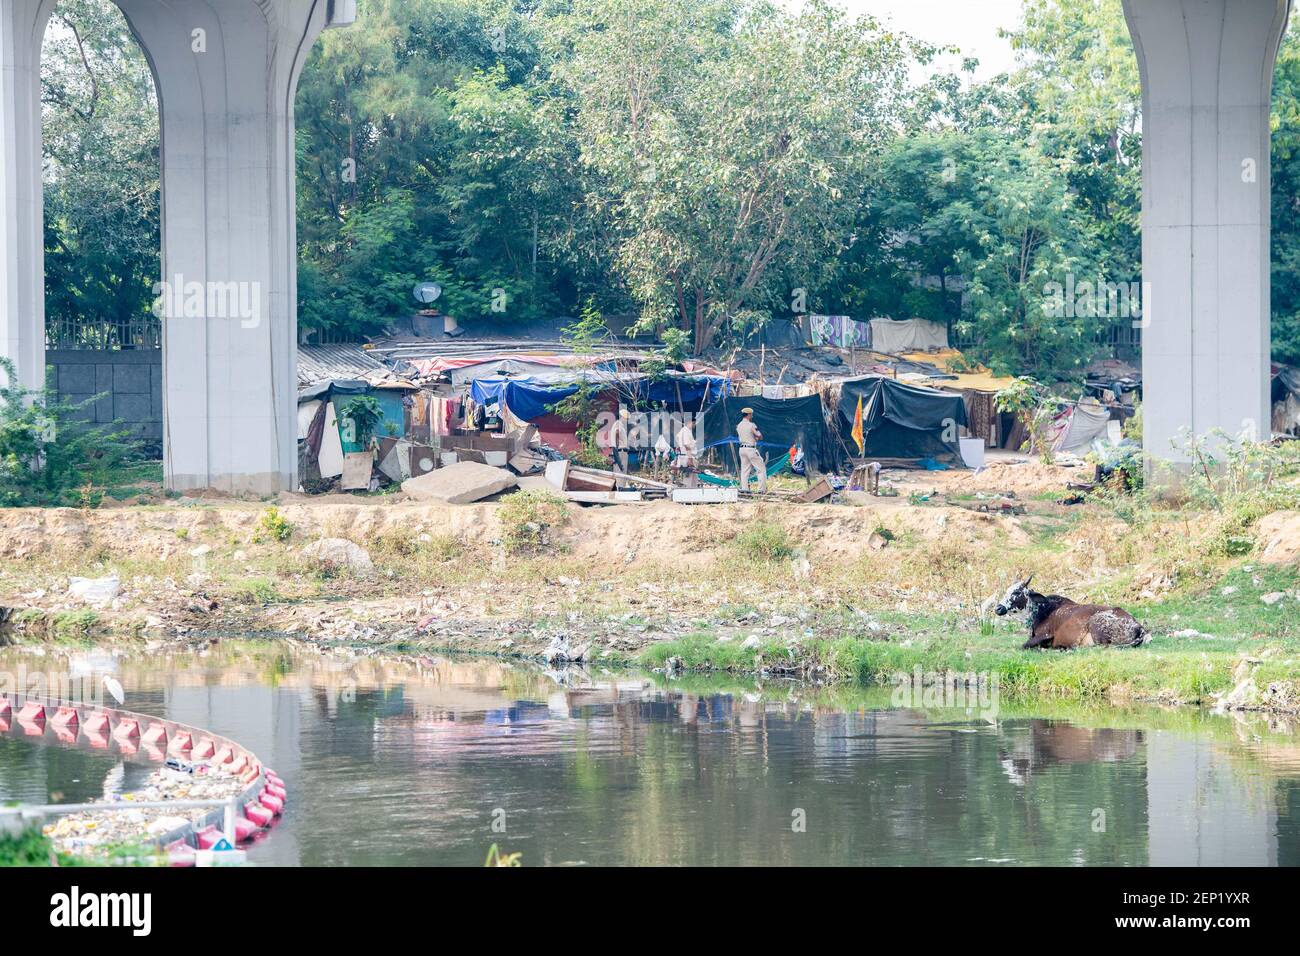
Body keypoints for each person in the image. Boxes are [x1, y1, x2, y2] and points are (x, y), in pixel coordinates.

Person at [736, 407, 766, 492]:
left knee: (744, 470)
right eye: (751, 414)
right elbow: (759, 436)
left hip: (742, 449)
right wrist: (758, 436)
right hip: (751, 449)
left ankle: (744, 489)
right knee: (761, 469)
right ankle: (761, 490)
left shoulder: (739, 425)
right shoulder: (751, 425)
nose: (752, 416)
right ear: (749, 415)